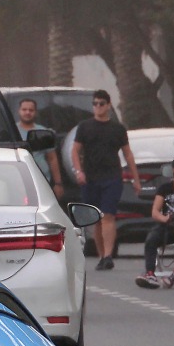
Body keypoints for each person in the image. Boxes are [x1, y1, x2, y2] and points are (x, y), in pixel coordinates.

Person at [72, 90, 141, 270]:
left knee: (108, 216)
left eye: (101, 103)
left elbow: (128, 154)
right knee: (96, 218)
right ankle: (102, 255)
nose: (98, 107)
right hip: (90, 178)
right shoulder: (85, 127)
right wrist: (78, 171)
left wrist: (136, 179)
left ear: (109, 105)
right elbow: (75, 150)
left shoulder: (117, 128)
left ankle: (109, 255)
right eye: (95, 104)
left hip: (112, 177)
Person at [135, 154, 174, 289]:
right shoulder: (165, 188)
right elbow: (155, 212)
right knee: (152, 238)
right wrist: (165, 219)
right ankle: (150, 274)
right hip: (167, 227)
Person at [16, 98, 64, 199]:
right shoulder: (13, 131)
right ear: (19, 111)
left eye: (31, 110)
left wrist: (58, 183)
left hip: (43, 181)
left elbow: (52, 158)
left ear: (35, 112)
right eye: (24, 109)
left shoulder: (43, 132)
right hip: (18, 182)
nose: (27, 112)